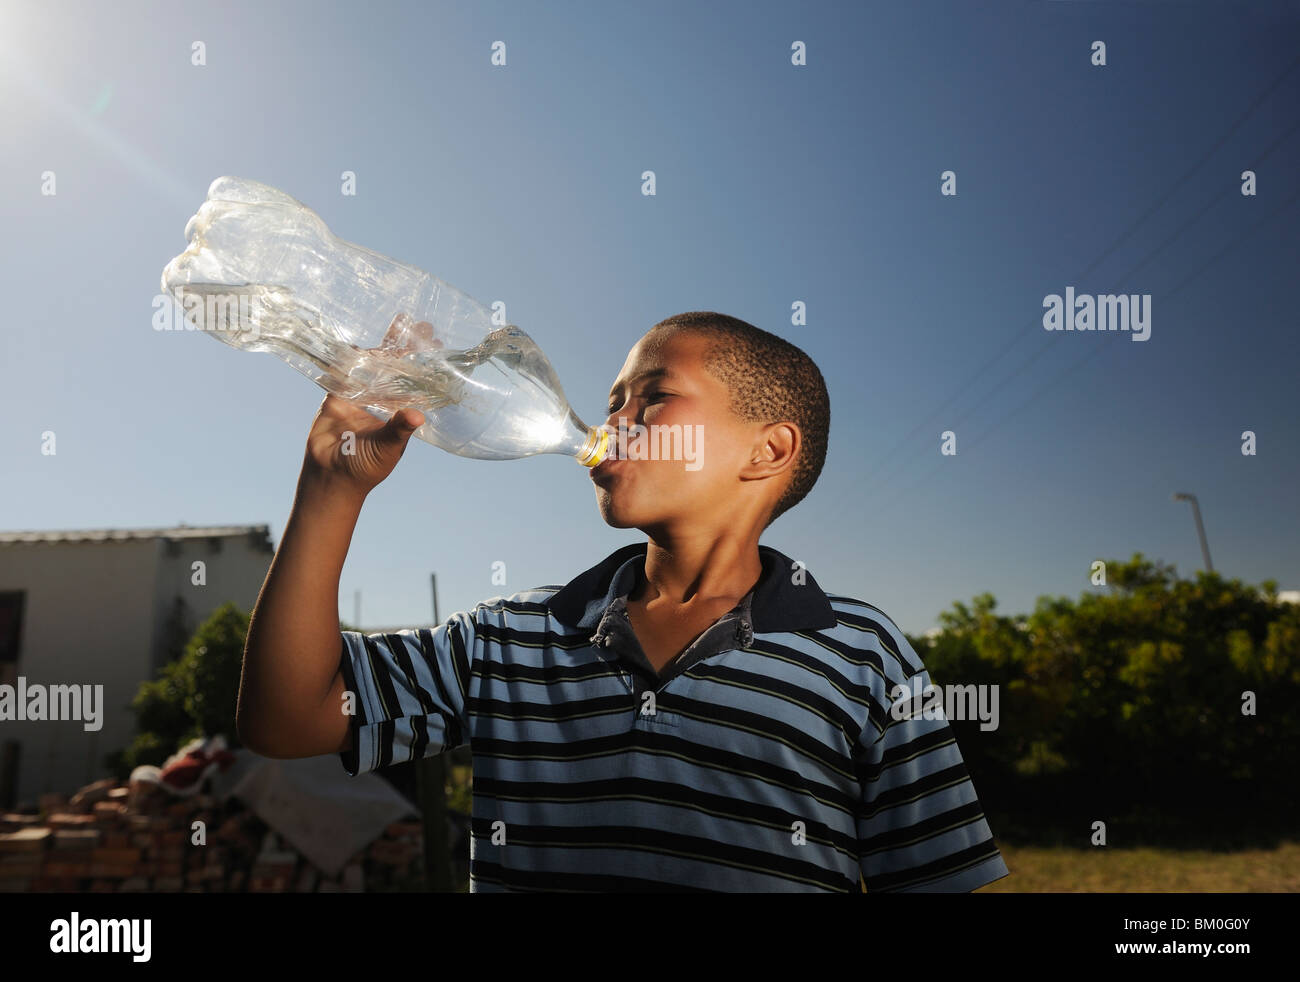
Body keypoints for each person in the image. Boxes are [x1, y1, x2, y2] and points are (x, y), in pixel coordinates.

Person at [236, 310, 1010, 893]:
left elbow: (937, 878)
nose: (613, 423)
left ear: (768, 450)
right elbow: (286, 717)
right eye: (612, 400)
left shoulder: (861, 651)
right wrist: (330, 491)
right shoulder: (511, 636)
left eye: (654, 396)